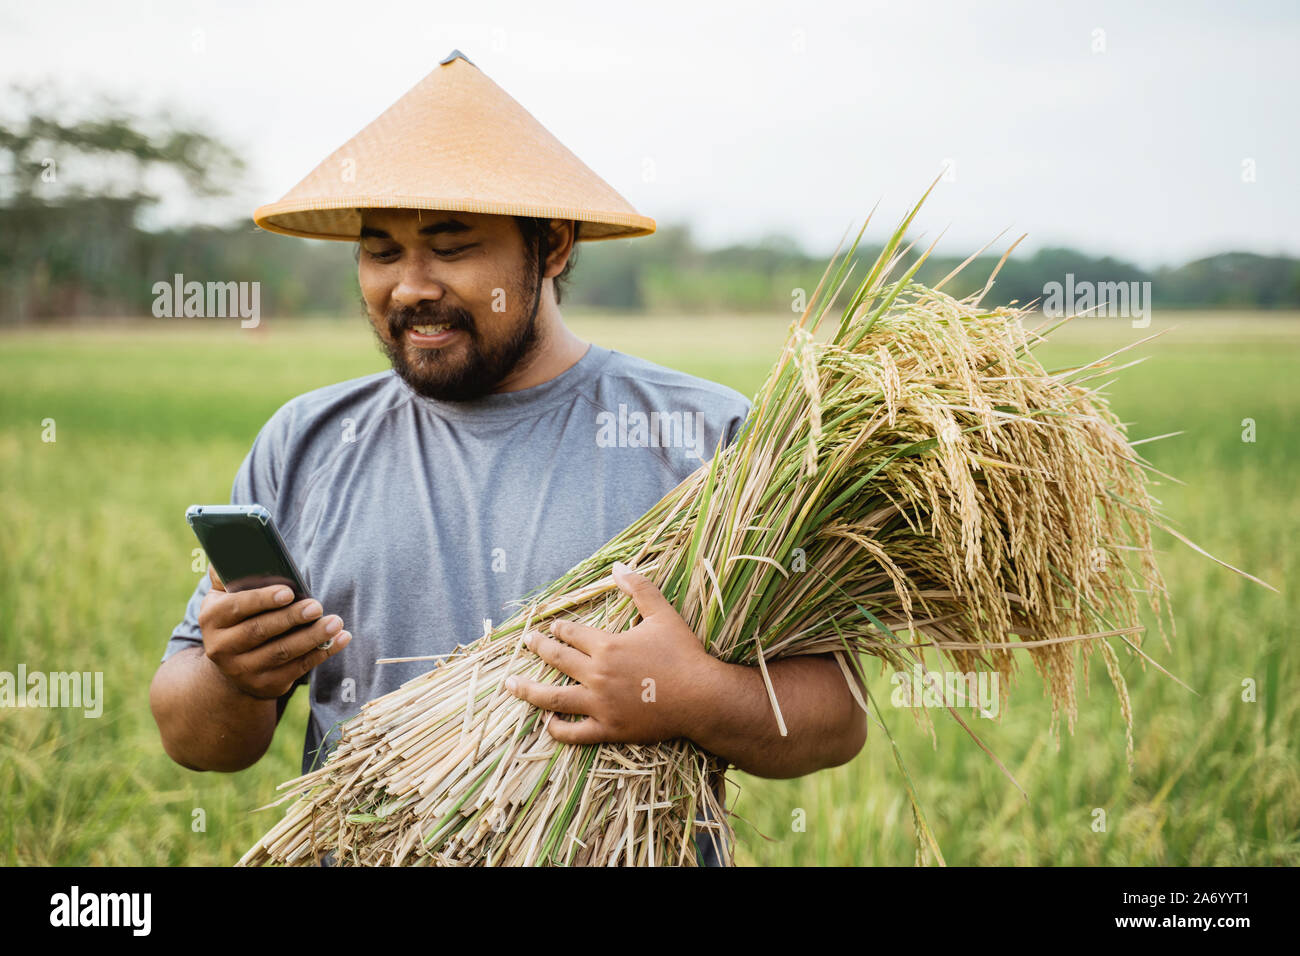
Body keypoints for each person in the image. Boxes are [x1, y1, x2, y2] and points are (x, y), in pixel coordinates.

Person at [149, 51, 866, 866]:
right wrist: (237, 676)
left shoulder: (704, 439)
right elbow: (196, 736)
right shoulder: (308, 440)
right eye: (381, 252)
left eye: (450, 249)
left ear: (552, 245)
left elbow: (833, 717)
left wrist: (690, 695)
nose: (410, 286)